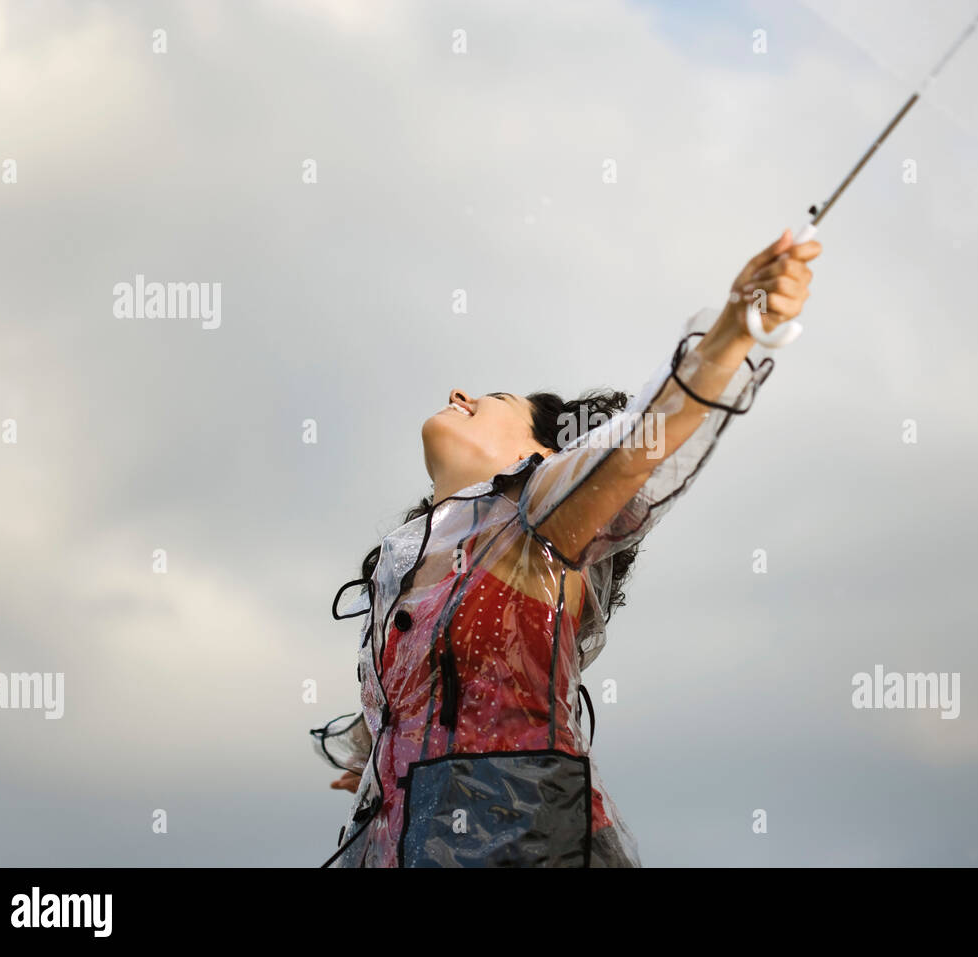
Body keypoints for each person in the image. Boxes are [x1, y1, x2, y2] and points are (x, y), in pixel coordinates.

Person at [310, 228, 821, 866]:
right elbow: (420, 686)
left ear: (548, 456)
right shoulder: (404, 565)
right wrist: (373, 752)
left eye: (493, 399)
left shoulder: (533, 519)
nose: (457, 394)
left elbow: (641, 442)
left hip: (528, 846)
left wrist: (735, 330)